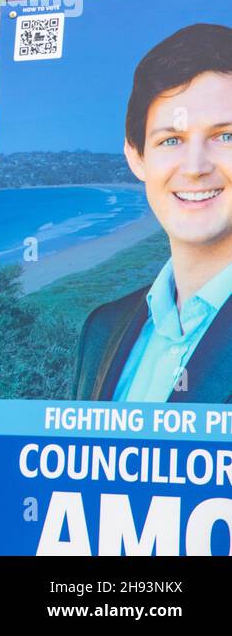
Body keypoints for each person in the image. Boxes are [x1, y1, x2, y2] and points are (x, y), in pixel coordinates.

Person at [75, 24, 232, 403]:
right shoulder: (101, 330)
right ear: (136, 156)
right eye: (171, 140)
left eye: (225, 136)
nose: (195, 167)